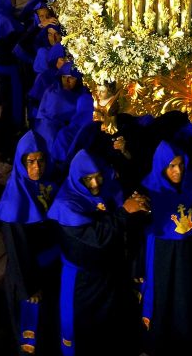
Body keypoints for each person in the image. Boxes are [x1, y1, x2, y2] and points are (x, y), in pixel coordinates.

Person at [47, 149, 149, 356]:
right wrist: (125, 212)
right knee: (84, 329)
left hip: (110, 275)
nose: (95, 185)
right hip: (83, 282)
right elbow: (98, 236)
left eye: (97, 177)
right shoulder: (66, 205)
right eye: (88, 180)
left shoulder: (107, 189)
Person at [137, 140, 192, 356]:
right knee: (162, 295)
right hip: (161, 251)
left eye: (180, 165)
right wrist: (139, 266)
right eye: (171, 166)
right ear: (162, 167)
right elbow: (139, 232)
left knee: (186, 295)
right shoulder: (149, 189)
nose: (178, 170)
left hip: (189, 249)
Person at [0, 130, 60, 355]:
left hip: (51, 267)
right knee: (31, 335)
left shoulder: (49, 184)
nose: (37, 167)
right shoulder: (15, 198)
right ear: (22, 162)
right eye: (30, 162)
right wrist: (28, 287)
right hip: (29, 274)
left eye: (41, 160)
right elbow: (16, 248)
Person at [0, 0, 26, 162]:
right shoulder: (4, 20)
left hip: (4, 67)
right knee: (9, 108)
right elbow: (19, 43)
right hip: (7, 70)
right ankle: (5, 150)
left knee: (11, 106)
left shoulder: (1, 13)